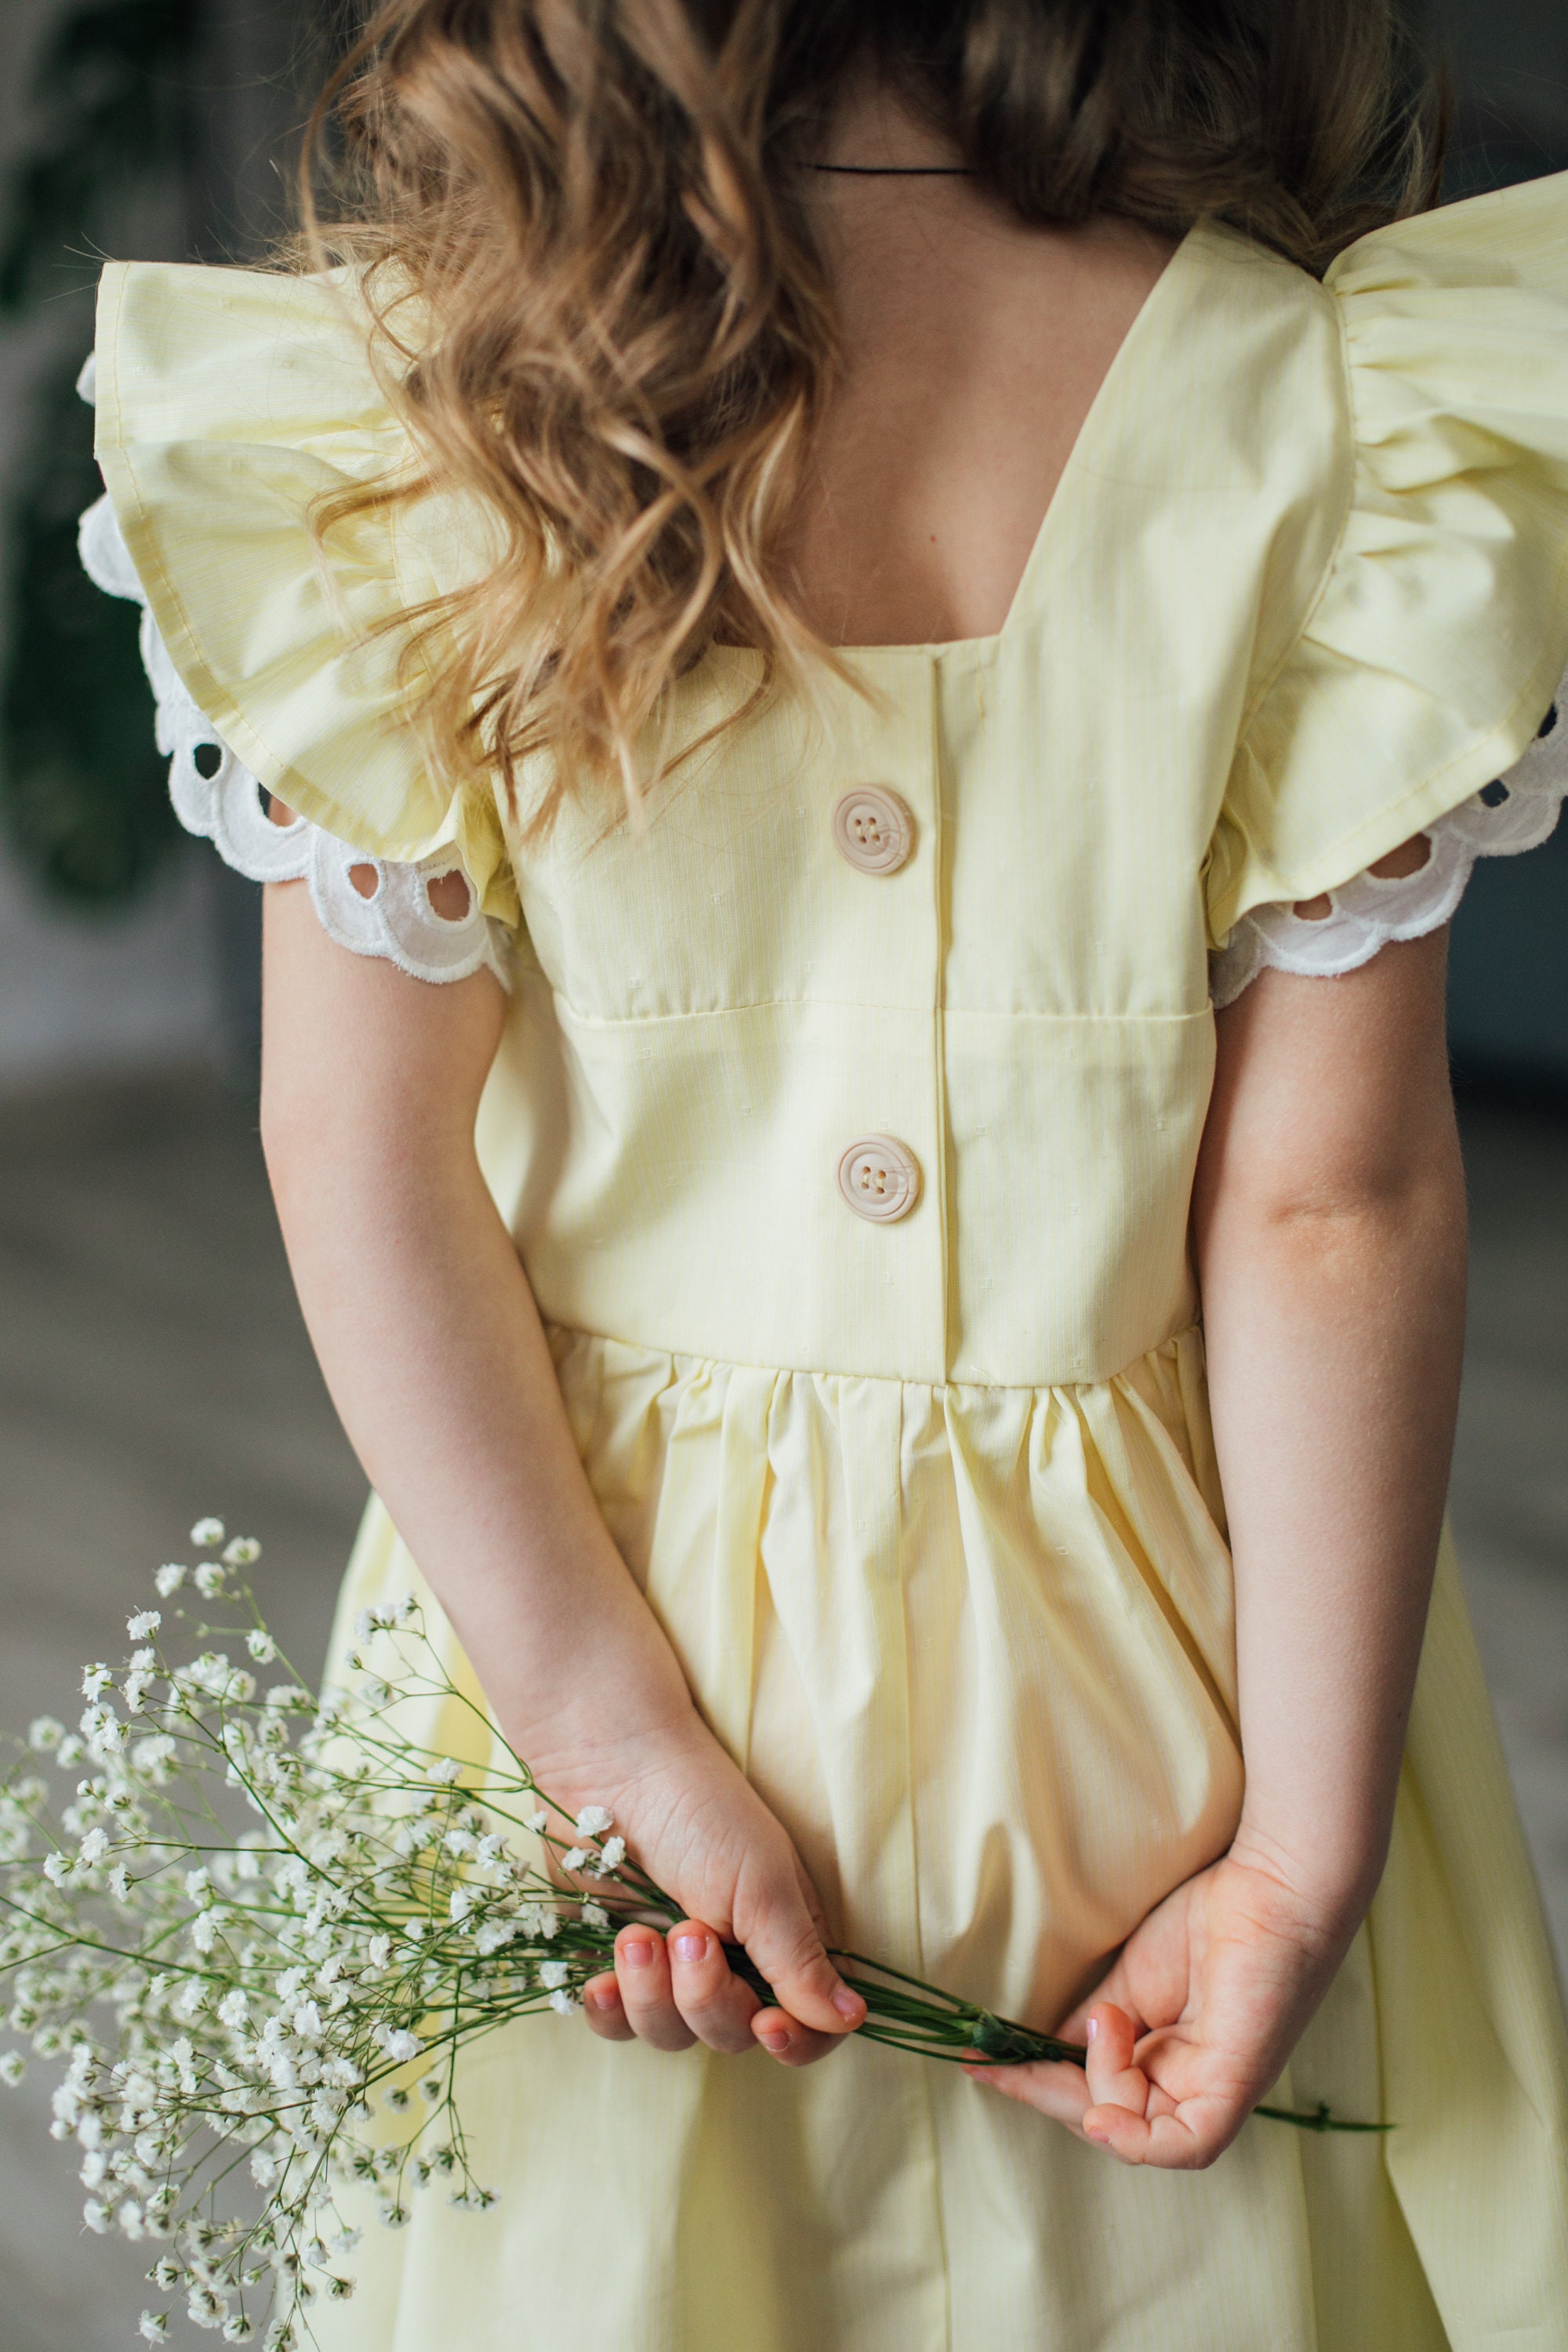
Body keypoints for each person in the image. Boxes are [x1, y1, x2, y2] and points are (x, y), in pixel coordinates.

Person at [81, 2, 1568, 2343]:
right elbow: (1332, 1206)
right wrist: (1296, 1849)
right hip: (1158, 1678)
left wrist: (602, 1738)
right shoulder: (1323, 411)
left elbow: (360, 1145)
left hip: (579, 1617)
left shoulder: (427, 414)